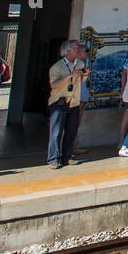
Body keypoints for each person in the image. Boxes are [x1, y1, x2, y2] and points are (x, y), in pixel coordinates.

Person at [47, 40, 85, 169]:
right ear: (68, 50)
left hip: (74, 102)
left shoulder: (80, 63)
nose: (78, 49)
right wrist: (70, 75)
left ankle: (67, 156)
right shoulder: (57, 67)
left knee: (71, 131)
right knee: (56, 132)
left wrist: (85, 74)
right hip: (60, 102)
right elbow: (53, 85)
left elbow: (82, 80)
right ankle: (53, 158)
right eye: (76, 47)